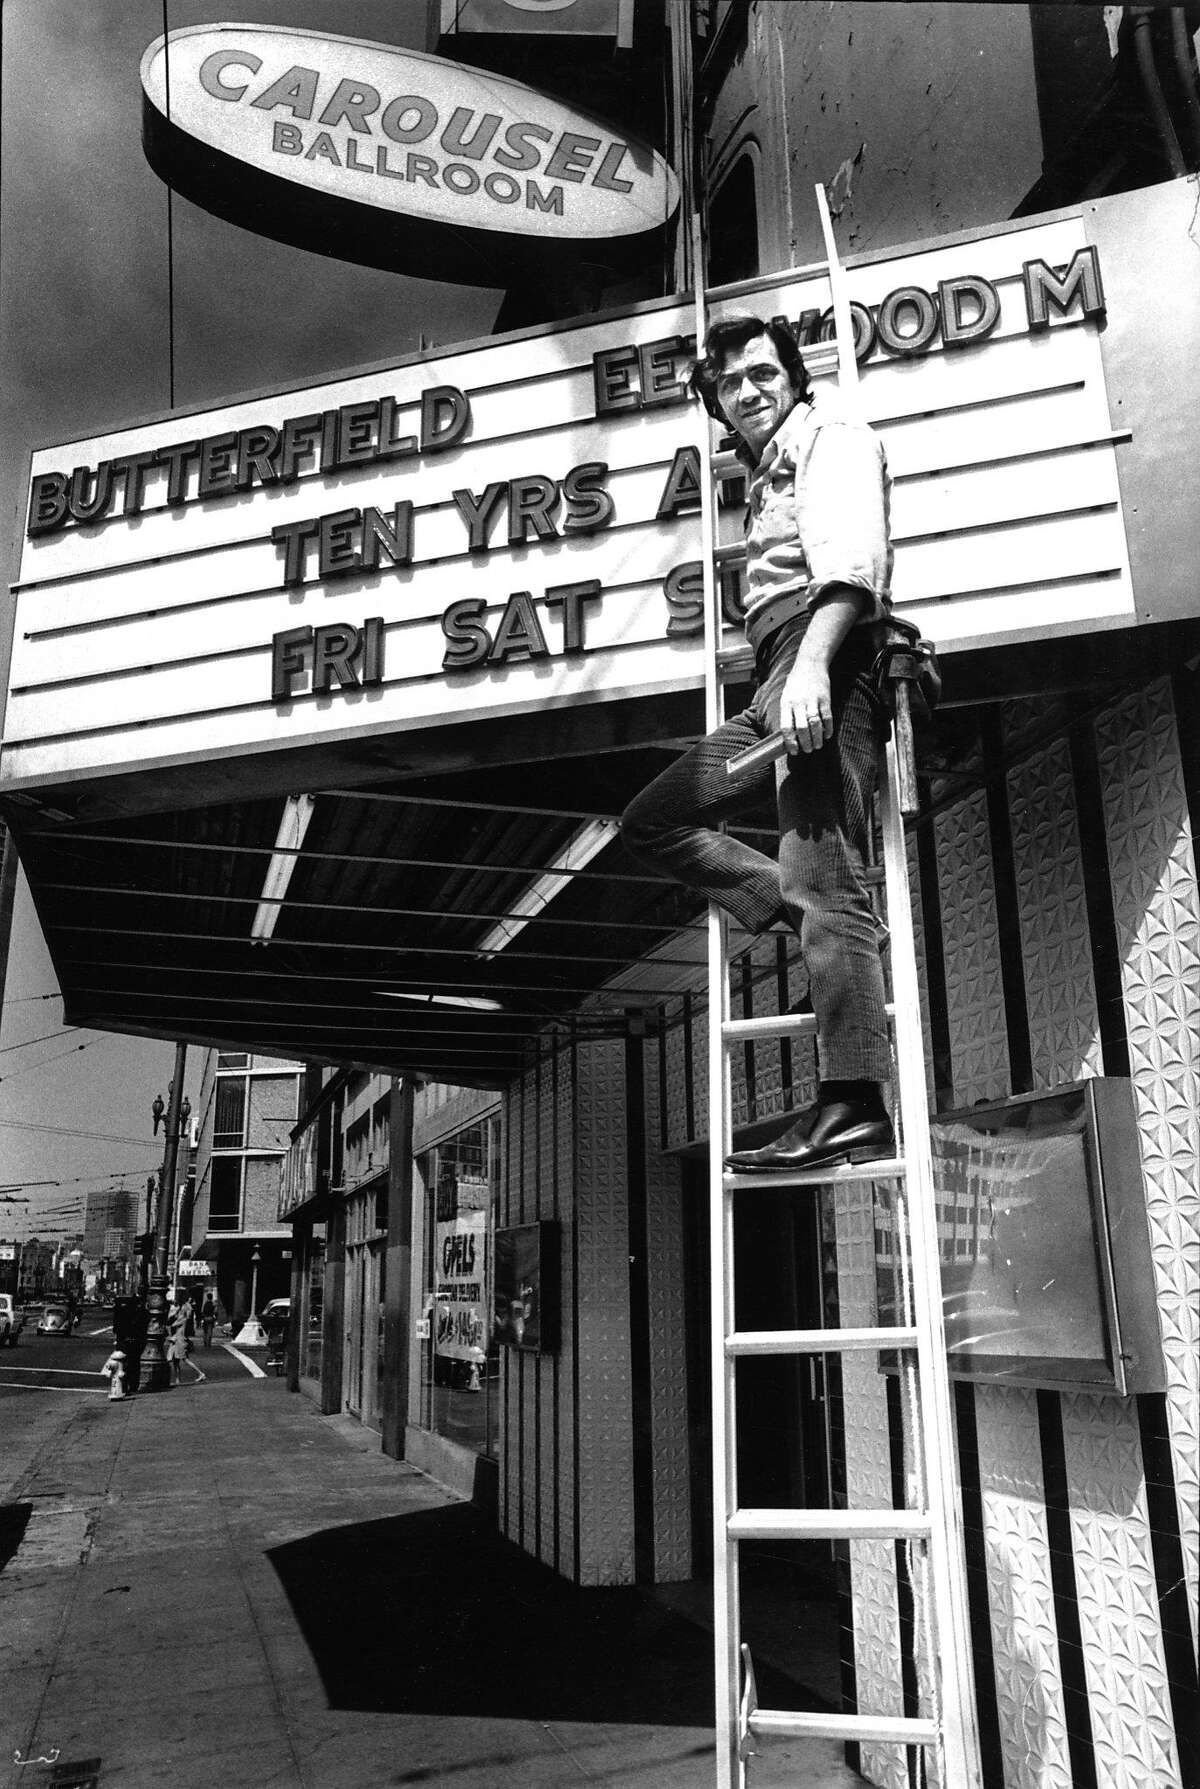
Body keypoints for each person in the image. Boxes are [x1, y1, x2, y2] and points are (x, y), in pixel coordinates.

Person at [621, 315, 895, 1172]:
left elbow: (853, 560)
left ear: (794, 378)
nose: (749, 390)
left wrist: (813, 665)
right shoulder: (760, 472)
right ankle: (818, 913)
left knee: (825, 876)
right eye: (732, 383)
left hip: (829, 660)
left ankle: (852, 1102)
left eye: (764, 372)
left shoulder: (832, 435)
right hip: (777, 674)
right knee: (656, 818)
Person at [166, 1299, 192, 1386]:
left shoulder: (182, 1320)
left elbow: (171, 1324)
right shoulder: (182, 1319)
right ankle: (177, 1379)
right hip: (175, 1340)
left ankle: (200, 1373)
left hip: (178, 1341)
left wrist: (174, 1313)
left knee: (178, 1359)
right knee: (175, 1361)